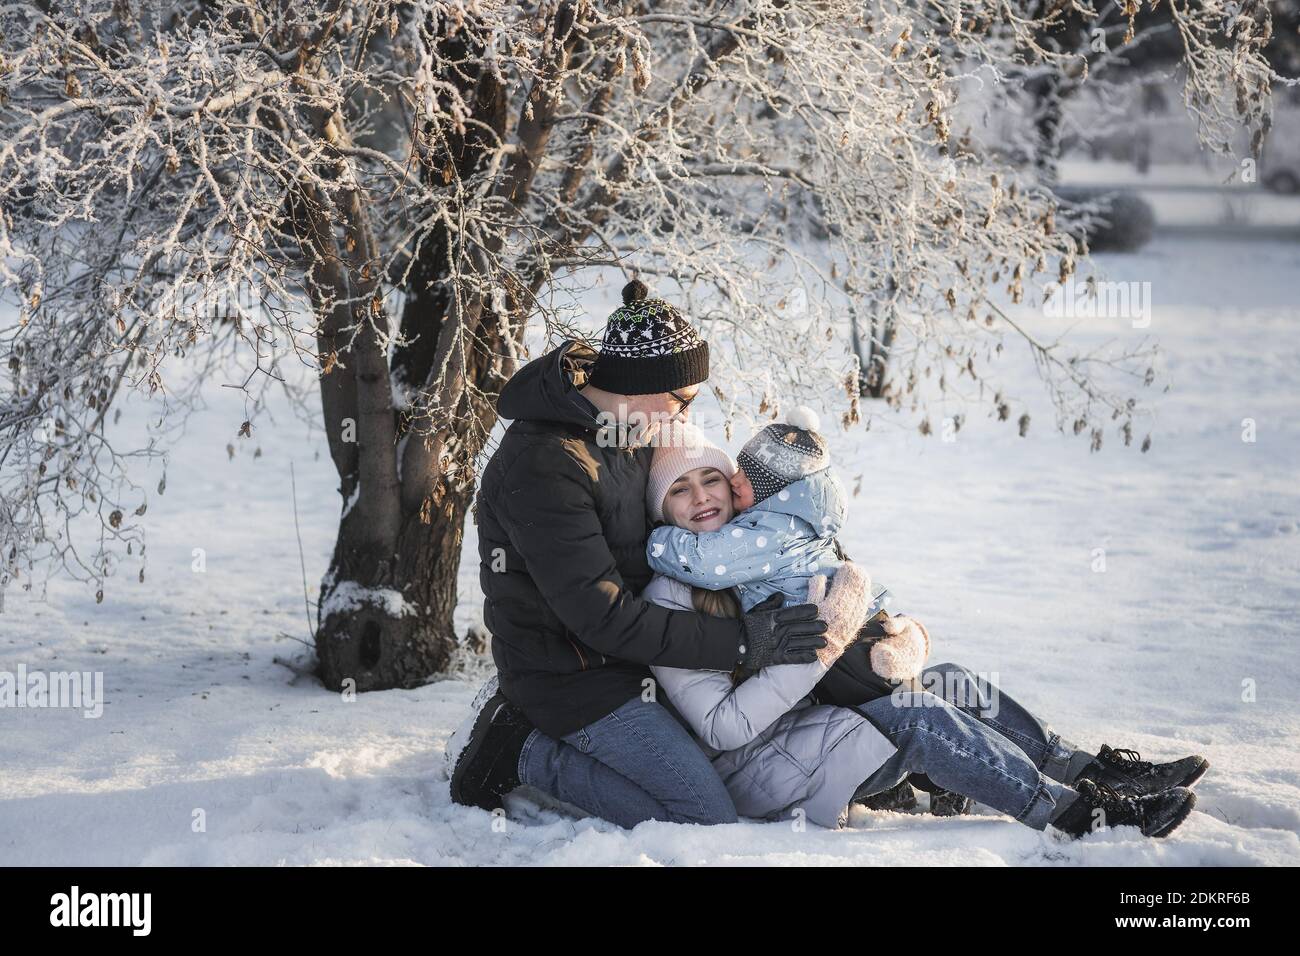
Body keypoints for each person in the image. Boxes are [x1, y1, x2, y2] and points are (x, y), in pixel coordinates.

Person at [638, 423, 1208, 838]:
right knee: (918, 715)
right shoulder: (673, 592)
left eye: (711, 479)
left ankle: (1089, 771)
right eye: (680, 490)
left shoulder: (760, 549)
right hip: (770, 761)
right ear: (660, 509)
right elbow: (723, 727)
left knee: (948, 680)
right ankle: (1078, 816)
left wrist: (900, 636)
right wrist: (824, 642)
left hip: (821, 711)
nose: (702, 497)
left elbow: (851, 611)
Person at [449, 280, 835, 827]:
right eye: (683, 400)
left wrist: (800, 550)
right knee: (702, 816)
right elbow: (602, 617)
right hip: (571, 675)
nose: (685, 416)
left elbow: (698, 516)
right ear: (642, 385)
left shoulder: (631, 430)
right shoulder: (545, 464)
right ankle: (523, 751)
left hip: (642, 658)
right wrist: (745, 641)